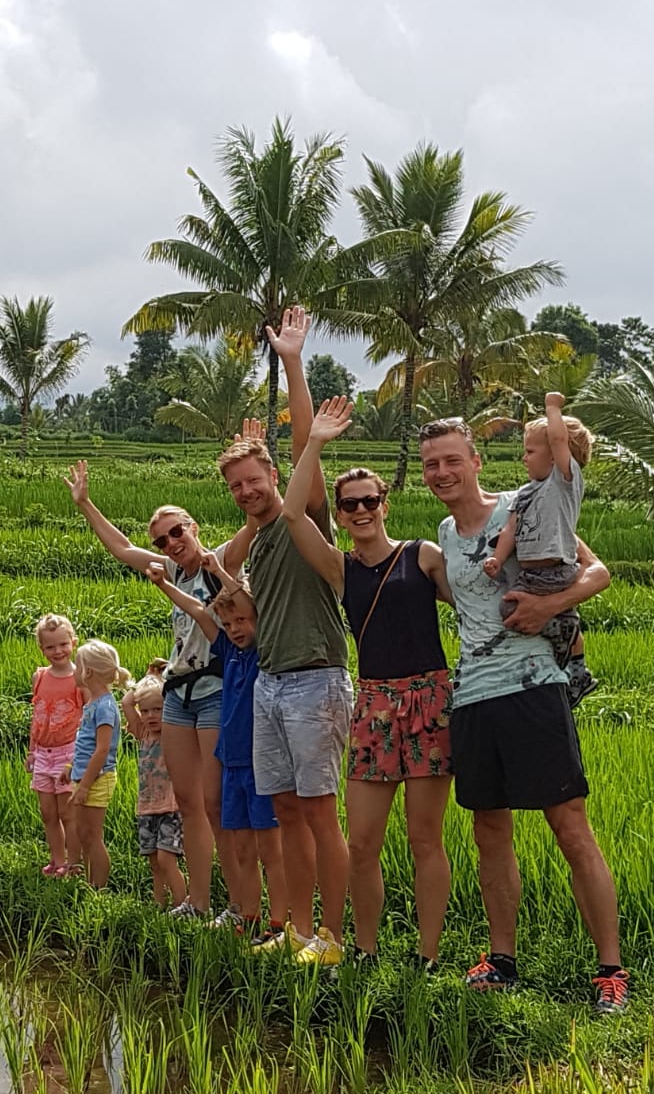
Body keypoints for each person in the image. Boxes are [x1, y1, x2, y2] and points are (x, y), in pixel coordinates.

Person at [417, 416, 629, 1014]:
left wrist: (548, 605)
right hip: (474, 695)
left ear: (476, 460)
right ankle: (502, 958)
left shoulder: (525, 502)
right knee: (489, 828)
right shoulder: (444, 534)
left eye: (452, 460)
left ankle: (610, 971)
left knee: (569, 824)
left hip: (534, 686)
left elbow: (598, 572)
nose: (441, 473)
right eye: (432, 464)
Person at [281, 396, 454, 971]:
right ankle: (365, 949)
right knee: (362, 842)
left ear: (385, 503)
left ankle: (427, 956)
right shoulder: (340, 568)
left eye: (368, 501)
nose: (359, 510)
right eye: (349, 504)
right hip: (375, 701)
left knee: (425, 837)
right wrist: (315, 443)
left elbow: (475, 606)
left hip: (429, 697)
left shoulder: (423, 556)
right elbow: (290, 515)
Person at [66, 444, 260, 919]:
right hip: (179, 691)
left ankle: (241, 907)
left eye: (177, 532)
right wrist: (86, 503)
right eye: (162, 540)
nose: (171, 543)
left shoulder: (221, 563)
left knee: (216, 804)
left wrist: (256, 459)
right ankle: (198, 901)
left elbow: (257, 522)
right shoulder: (171, 570)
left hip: (216, 688)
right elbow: (119, 547)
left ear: (193, 527)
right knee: (189, 802)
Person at [215, 306, 352, 966]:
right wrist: (244, 460)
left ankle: (331, 935)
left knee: (321, 815)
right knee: (290, 813)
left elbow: (304, 445)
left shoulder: (304, 519)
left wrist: (292, 361)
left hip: (316, 678)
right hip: (271, 683)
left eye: (256, 480)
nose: (248, 492)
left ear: (276, 477)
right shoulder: (259, 536)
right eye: (236, 487)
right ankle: (296, 931)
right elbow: (225, 560)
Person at [146, 556, 290, 945]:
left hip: (262, 761)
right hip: (231, 760)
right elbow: (197, 609)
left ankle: (279, 923)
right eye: (228, 624)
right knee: (241, 843)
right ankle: (249, 913)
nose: (235, 629)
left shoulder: (268, 653)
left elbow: (247, 602)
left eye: (242, 621)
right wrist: (163, 585)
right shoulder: (228, 651)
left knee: (269, 848)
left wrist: (223, 575)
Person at [482, 392, 597, 704]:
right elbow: (510, 530)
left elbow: (559, 440)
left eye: (530, 451)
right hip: (531, 574)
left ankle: (571, 649)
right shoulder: (524, 493)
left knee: (538, 617)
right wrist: (497, 558)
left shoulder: (562, 482)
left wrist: (552, 408)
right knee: (509, 610)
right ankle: (575, 664)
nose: (524, 457)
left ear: (554, 457)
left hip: (556, 569)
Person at [68, 638, 133, 890]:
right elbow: (85, 745)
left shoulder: (105, 707)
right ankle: (89, 884)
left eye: (77, 665)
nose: (74, 670)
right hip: (84, 776)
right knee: (83, 834)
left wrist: (84, 785)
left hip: (97, 779)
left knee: (92, 836)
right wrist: (70, 769)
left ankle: (99, 889)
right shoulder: (93, 703)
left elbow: (102, 749)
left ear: (88, 671)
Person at [123, 666, 188, 909]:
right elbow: (127, 702)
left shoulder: (173, 732)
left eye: (158, 710)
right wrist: (149, 677)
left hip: (171, 806)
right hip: (147, 807)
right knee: (154, 861)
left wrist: (164, 680)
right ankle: (159, 905)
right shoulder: (144, 733)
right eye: (146, 711)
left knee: (167, 858)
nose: (150, 716)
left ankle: (182, 904)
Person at [28, 613, 83, 878]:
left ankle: (73, 864)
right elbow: (37, 716)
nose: (57, 651)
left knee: (67, 813)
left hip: (67, 753)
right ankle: (57, 859)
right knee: (47, 813)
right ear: (42, 648)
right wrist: (31, 750)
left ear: (73, 642)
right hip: (42, 753)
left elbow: (87, 721)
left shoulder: (79, 679)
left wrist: (79, 759)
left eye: (63, 644)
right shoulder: (39, 677)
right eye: (50, 646)